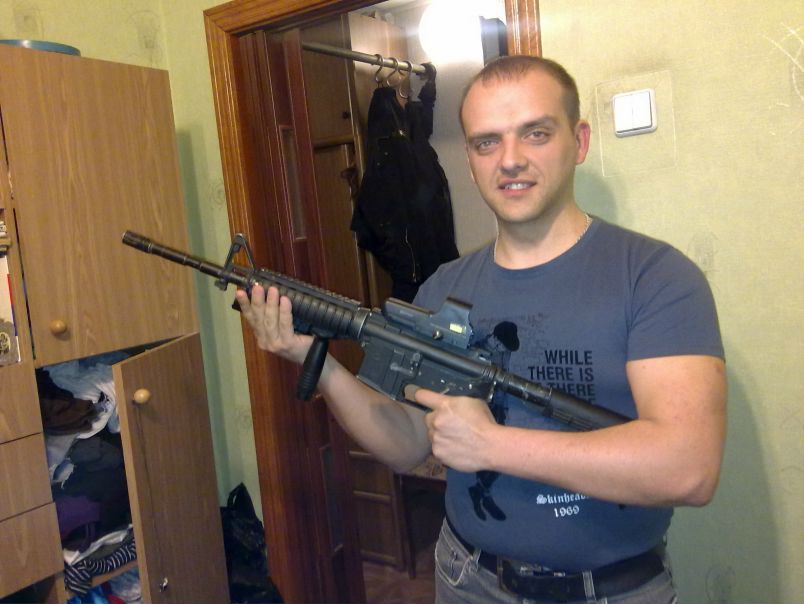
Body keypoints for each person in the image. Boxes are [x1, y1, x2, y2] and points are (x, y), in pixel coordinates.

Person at [236, 55, 727, 604]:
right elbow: (407, 444)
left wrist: (493, 445)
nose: (510, 160)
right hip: (466, 580)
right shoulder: (443, 288)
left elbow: (689, 469)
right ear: (469, 162)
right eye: (487, 142)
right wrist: (320, 364)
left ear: (579, 141)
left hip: (612, 591)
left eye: (536, 133)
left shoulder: (654, 277)